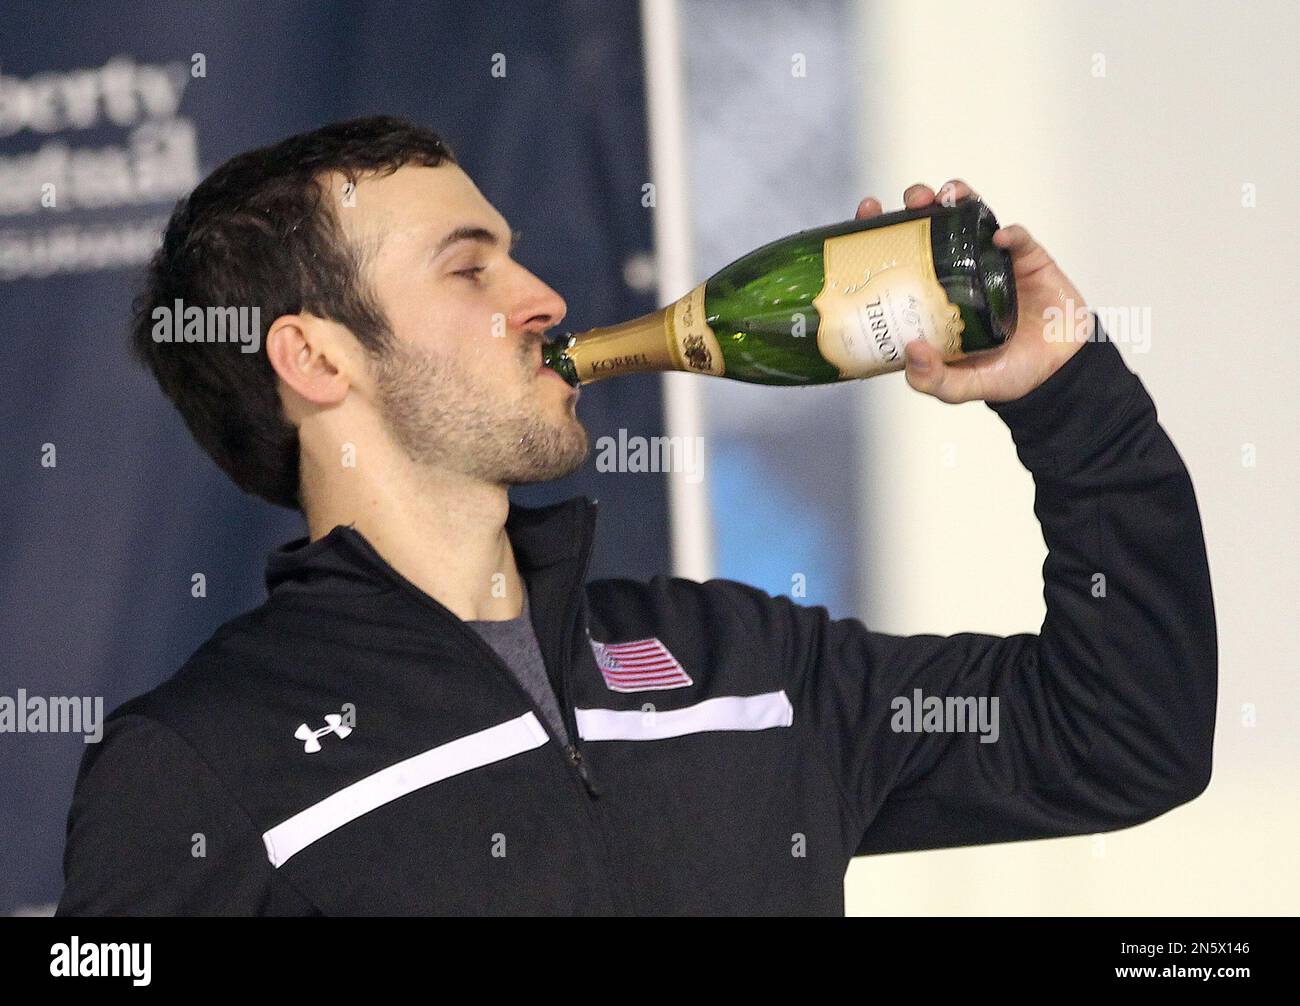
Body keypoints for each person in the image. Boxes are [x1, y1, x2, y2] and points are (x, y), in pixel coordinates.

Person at [56, 116, 1217, 916]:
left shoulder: (743, 666)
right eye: (470, 270)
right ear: (314, 357)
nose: (545, 298)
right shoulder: (201, 765)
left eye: (514, 254)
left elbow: (1123, 738)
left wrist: (1067, 394)